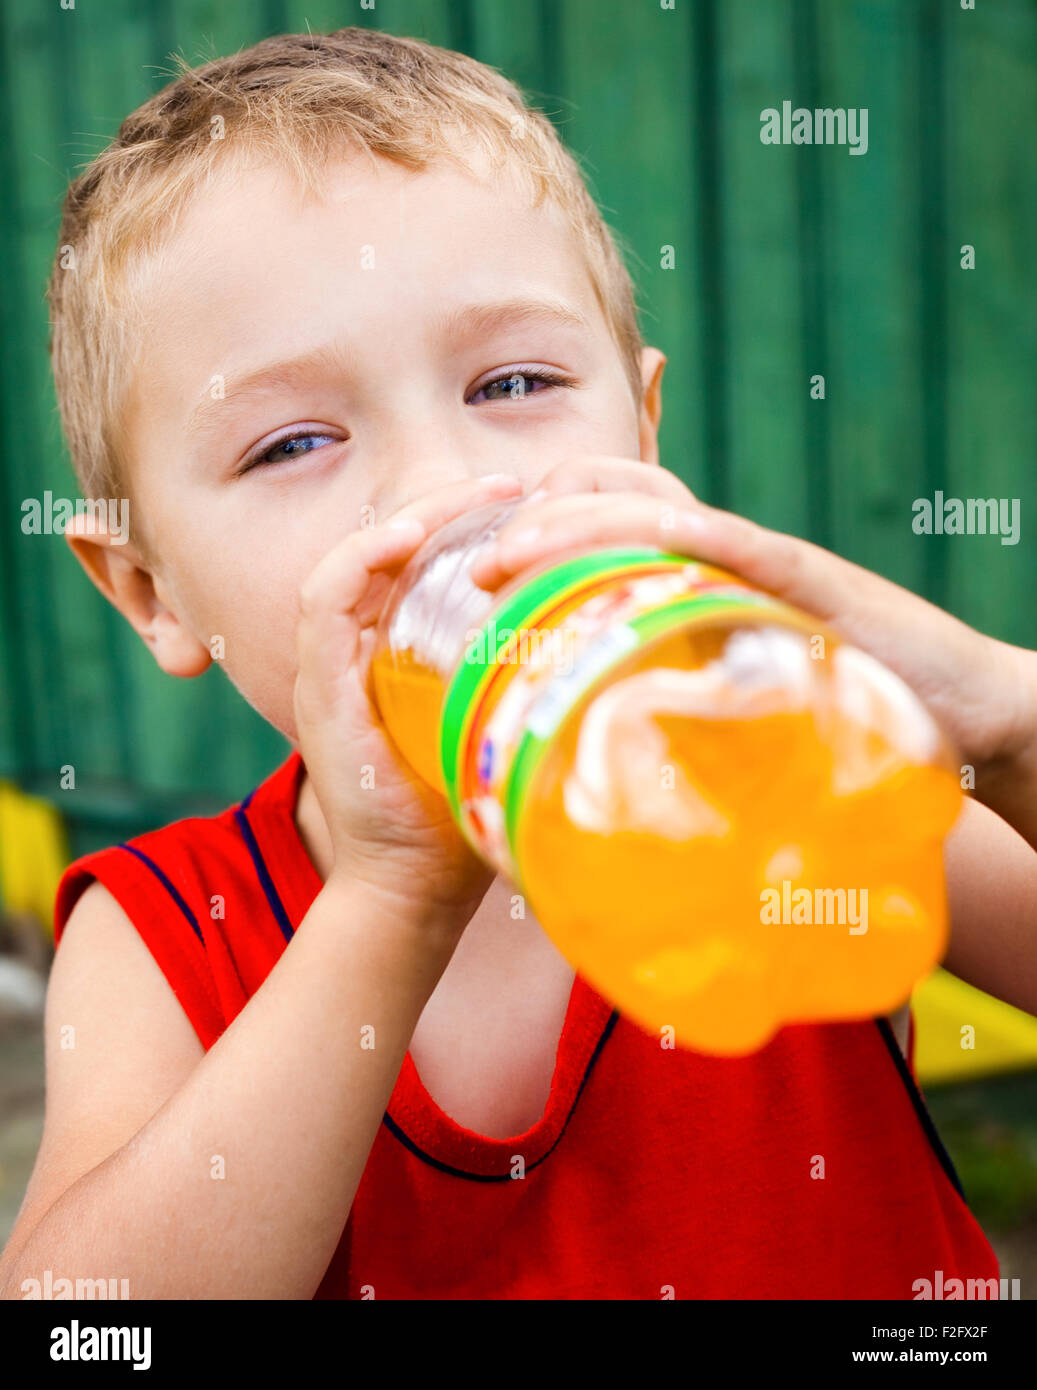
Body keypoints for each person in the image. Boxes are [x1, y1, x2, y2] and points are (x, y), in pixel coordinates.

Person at [2, 27, 1033, 1300]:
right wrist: (389, 899)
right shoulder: (168, 935)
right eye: (289, 444)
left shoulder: (766, 761)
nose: (445, 487)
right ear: (151, 592)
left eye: (513, 380)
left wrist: (1008, 722)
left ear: (644, 432)